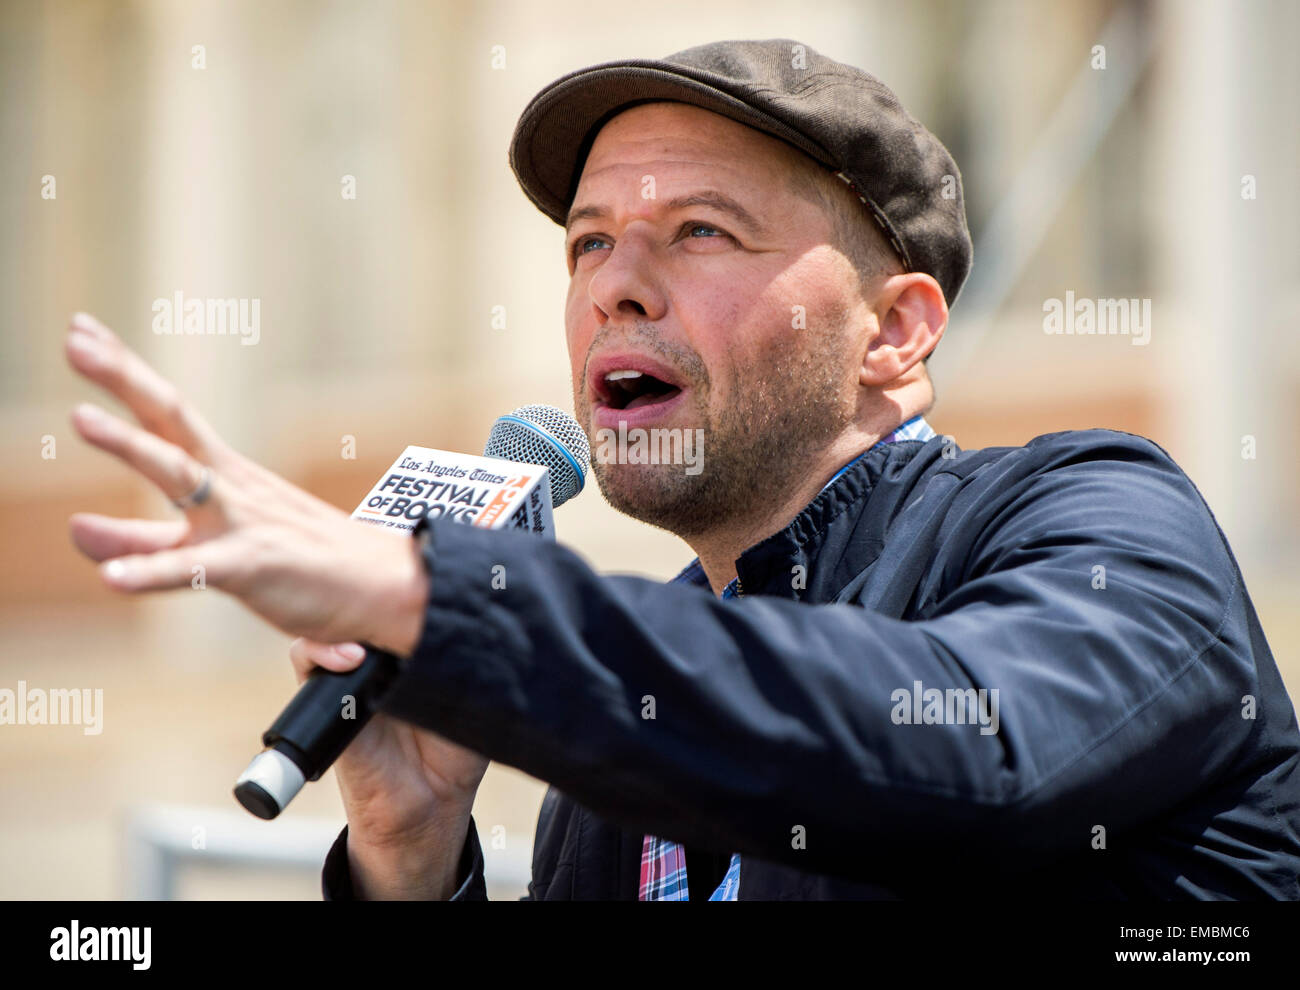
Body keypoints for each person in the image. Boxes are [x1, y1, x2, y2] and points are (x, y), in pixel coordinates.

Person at [65, 39, 1300, 900]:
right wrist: (411, 852)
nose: (613, 283)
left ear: (897, 331)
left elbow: (970, 748)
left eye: (699, 232)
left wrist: (446, 600)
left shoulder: (1104, 519)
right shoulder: (627, 737)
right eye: (590, 242)